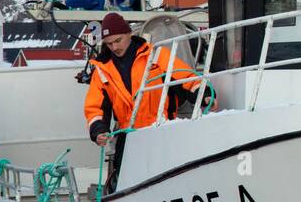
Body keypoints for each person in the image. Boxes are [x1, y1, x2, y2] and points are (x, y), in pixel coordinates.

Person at [83, 12, 210, 191]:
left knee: (170, 180)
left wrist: (204, 94)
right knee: (128, 186)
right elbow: (95, 108)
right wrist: (98, 130)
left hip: (162, 131)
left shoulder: (157, 56)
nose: (114, 47)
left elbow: (186, 78)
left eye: (118, 40)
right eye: (109, 43)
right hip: (128, 138)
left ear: (129, 34)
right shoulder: (102, 70)